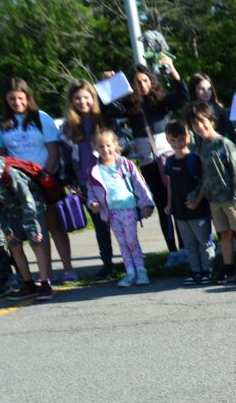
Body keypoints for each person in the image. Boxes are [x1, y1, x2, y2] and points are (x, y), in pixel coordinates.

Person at [0, 77, 77, 283]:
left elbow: (53, 151)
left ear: (27, 97)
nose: (17, 102)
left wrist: (43, 177)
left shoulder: (41, 118)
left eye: (20, 98)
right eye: (12, 99)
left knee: (53, 224)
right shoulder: (1, 123)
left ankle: (68, 268)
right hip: (18, 183)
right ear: (6, 100)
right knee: (35, 229)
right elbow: (0, 157)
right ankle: (46, 274)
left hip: (43, 178)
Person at [110, 61, 189, 262]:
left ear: (151, 81)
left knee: (178, 202)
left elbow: (183, 98)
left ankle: (186, 248)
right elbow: (110, 111)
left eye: (145, 80)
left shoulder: (161, 101)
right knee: (163, 205)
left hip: (169, 157)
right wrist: (111, 84)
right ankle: (173, 251)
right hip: (148, 162)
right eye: (137, 82)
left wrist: (173, 72)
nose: (142, 85)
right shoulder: (129, 106)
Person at [186, 101, 236, 284]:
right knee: (224, 234)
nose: (199, 127)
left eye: (202, 122)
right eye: (195, 124)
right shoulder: (201, 146)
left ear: (211, 120)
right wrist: (198, 195)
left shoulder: (224, 143)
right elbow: (205, 175)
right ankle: (228, 268)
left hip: (232, 198)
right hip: (214, 199)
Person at [85, 128, 156, 287]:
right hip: (111, 213)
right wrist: (93, 203)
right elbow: (91, 192)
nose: (106, 150)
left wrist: (146, 203)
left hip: (128, 208)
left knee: (131, 240)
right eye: (101, 146)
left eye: (109, 145)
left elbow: (139, 184)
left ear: (116, 145)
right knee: (123, 243)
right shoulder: (94, 171)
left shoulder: (125, 164)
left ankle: (141, 271)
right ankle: (130, 273)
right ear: (95, 148)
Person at [61, 79, 117, 278]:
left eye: (86, 97)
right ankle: (107, 263)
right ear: (72, 101)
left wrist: (108, 84)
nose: (82, 102)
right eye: (77, 98)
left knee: (120, 222)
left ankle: (131, 259)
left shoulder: (103, 118)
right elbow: (65, 157)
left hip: (111, 178)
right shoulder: (68, 127)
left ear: (93, 98)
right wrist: (71, 182)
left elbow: (119, 109)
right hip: (87, 184)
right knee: (100, 225)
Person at [0, 142, 52, 301]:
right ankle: (28, 283)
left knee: (36, 241)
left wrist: (31, 225)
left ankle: (45, 283)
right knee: (14, 245)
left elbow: (27, 198)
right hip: (12, 211)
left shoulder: (8, 172)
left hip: (32, 207)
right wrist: (7, 230)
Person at [163, 121, 213, 284]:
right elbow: (170, 184)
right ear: (168, 140)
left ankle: (208, 270)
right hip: (180, 212)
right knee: (189, 244)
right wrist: (169, 204)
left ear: (188, 136)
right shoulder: (169, 161)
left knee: (204, 242)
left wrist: (197, 202)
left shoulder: (194, 159)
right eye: (173, 140)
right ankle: (195, 271)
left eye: (181, 139)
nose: (177, 144)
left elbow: (203, 184)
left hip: (198, 211)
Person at [188, 72, 236, 142]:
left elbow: (231, 134)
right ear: (193, 90)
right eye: (201, 89)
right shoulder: (189, 112)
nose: (206, 92)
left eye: (209, 89)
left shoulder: (220, 110)